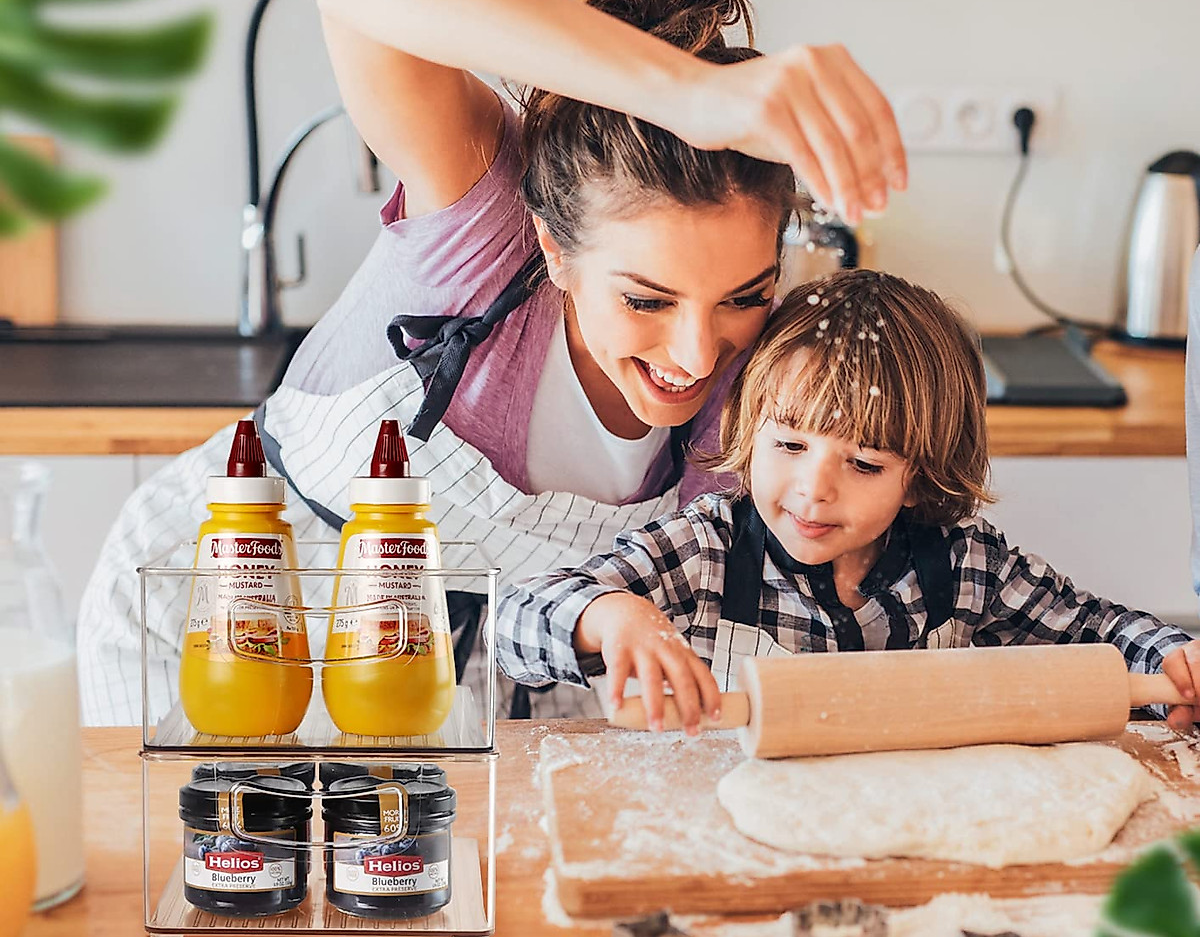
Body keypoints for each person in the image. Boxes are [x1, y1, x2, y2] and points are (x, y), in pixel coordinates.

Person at [77, 0, 907, 725]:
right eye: (646, 302)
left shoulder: (759, 387)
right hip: (230, 624)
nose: (696, 355)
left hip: (481, 700)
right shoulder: (482, 229)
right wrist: (685, 96)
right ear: (555, 249)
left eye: (742, 295)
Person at [495, 269, 1200, 734]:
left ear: (918, 476)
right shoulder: (703, 552)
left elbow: (1097, 632)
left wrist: (1175, 661)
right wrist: (607, 615)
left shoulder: (965, 566)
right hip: (723, 841)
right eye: (790, 447)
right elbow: (515, 626)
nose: (813, 489)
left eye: (863, 463)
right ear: (749, 431)